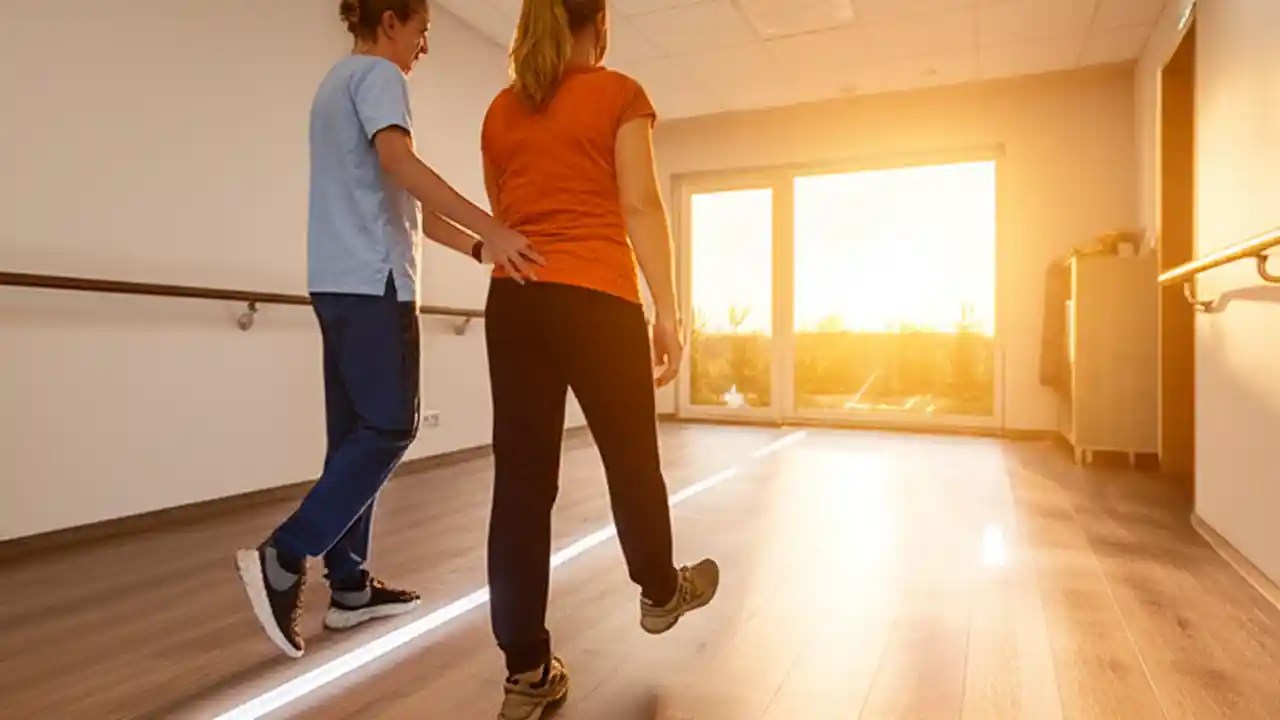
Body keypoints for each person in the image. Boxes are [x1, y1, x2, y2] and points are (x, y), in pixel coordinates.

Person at [236, 0, 542, 660]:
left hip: (335, 281)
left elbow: (411, 209)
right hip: (375, 285)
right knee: (390, 428)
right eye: (422, 31)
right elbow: (402, 166)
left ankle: (348, 587)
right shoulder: (380, 79)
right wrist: (494, 225)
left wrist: (481, 251)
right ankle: (284, 556)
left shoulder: (333, 85)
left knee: (352, 437)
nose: (423, 46)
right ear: (390, 20)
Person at [479, 0, 719, 715]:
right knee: (630, 457)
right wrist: (670, 314)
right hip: (599, 298)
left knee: (520, 490)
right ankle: (658, 590)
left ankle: (526, 673)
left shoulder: (500, 110)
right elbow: (641, 205)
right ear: (601, 27)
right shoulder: (619, 94)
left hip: (516, 302)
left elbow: (504, 208)